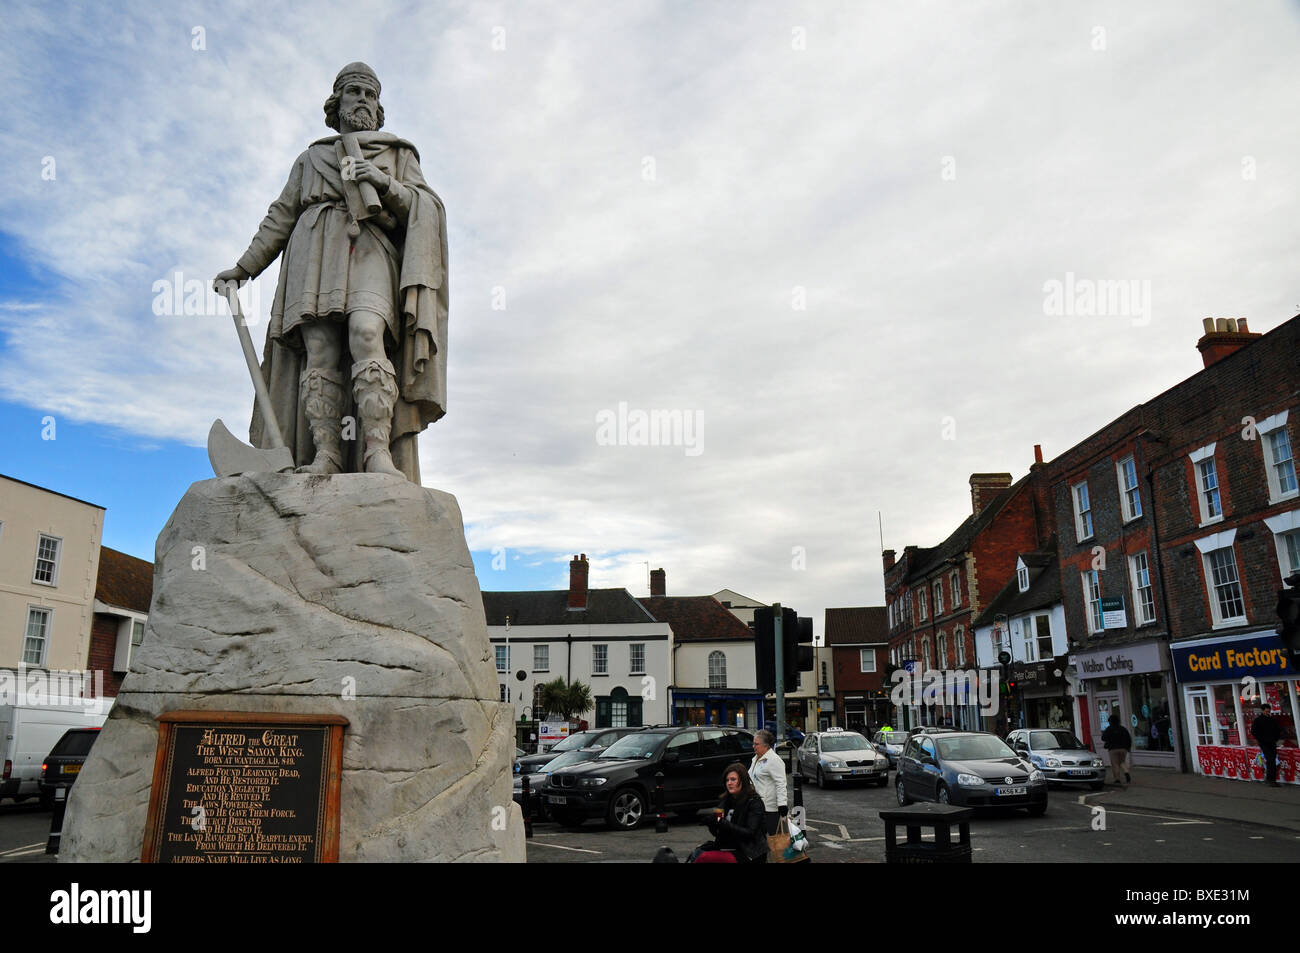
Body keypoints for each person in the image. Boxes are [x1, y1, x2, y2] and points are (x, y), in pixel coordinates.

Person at [214, 62, 448, 482]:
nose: (362, 100)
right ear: (336, 102)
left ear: (378, 109)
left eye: (370, 95)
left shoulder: (397, 154)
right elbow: (281, 216)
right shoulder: (311, 158)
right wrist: (243, 268)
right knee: (319, 351)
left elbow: (424, 209)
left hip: (370, 250)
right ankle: (326, 454)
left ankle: (377, 451)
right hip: (314, 252)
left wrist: (382, 181)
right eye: (354, 92)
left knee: (366, 334)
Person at [688, 763, 768, 863]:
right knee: (698, 852)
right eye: (727, 780)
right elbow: (718, 832)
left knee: (705, 858)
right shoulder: (725, 801)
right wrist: (712, 824)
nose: (729, 783)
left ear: (743, 781)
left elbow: (750, 833)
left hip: (748, 852)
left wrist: (725, 824)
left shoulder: (754, 802)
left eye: (733, 779)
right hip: (727, 847)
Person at [749, 728, 788, 834]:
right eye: (753, 744)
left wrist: (782, 804)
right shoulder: (756, 758)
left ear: (766, 746)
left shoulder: (774, 760)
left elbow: (781, 783)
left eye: (756, 744)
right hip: (757, 807)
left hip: (769, 810)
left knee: (772, 842)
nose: (753, 746)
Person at [1251, 709, 1282, 787]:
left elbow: (1278, 730)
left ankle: (1272, 779)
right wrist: (1260, 739)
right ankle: (1270, 779)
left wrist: (1276, 738)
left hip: (1272, 742)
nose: (1268, 712)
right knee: (1270, 759)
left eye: (1269, 711)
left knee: (1272, 760)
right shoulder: (1258, 720)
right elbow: (1253, 731)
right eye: (1266, 711)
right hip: (1264, 743)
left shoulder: (1272, 720)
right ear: (1263, 711)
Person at [1101, 713, 1132, 785]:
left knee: (1115, 764)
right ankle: (1126, 772)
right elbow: (1128, 739)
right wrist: (1128, 748)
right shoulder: (1123, 729)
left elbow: (1103, 738)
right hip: (1123, 749)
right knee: (1122, 762)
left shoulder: (1109, 729)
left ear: (1110, 721)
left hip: (1113, 749)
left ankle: (1117, 779)